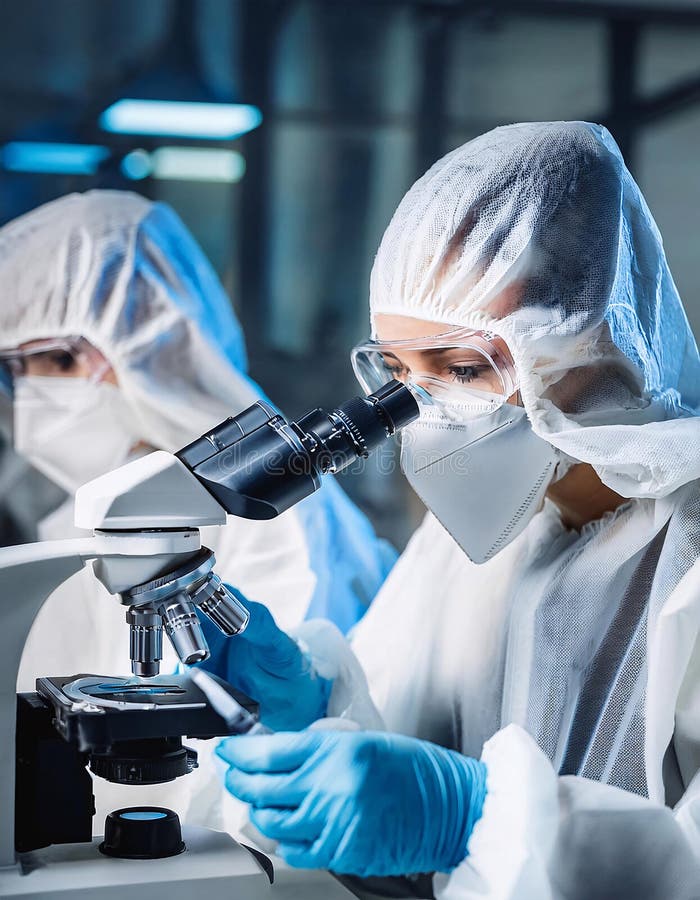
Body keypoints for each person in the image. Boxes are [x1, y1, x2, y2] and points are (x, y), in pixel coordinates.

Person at [210, 122, 700, 898]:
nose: (424, 412)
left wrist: (473, 818)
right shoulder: (480, 536)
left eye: (464, 367)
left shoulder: (690, 560)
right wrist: (309, 712)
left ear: (601, 337)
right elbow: (393, 789)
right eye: (400, 371)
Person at [0, 189, 395, 828]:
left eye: (60, 358)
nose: (35, 389)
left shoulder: (273, 521)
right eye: (14, 368)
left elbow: (264, 783)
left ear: (150, 337)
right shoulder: (97, 505)